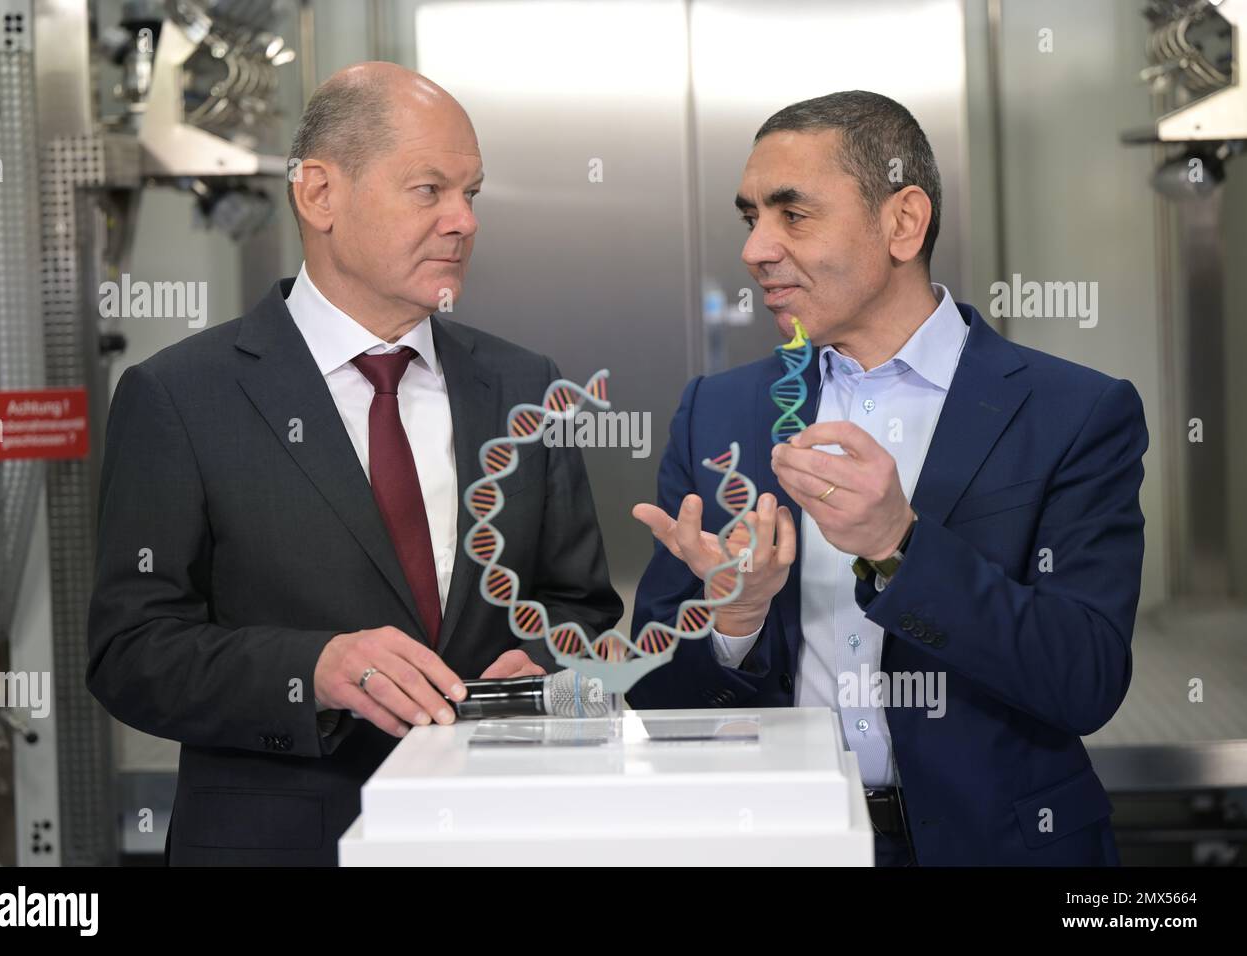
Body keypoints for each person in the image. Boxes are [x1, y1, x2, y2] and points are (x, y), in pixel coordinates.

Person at [87, 62, 622, 865]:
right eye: (429, 190)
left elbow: (579, 605)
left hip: (501, 835)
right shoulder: (179, 397)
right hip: (286, 844)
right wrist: (316, 667)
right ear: (319, 195)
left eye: (470, 194)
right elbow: (130, 653)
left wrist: (543, 662)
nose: (463, 222)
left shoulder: (524, 385)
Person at [629, 91, 1146, 866]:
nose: (756, 249)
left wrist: (900, 548)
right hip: (777, 844)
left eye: (792, 214)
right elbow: (656, 698)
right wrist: (733, 623)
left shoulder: (1074, 413)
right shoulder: (719, 413)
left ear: (903, 221)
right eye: (750, 218)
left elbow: (1086, 680)